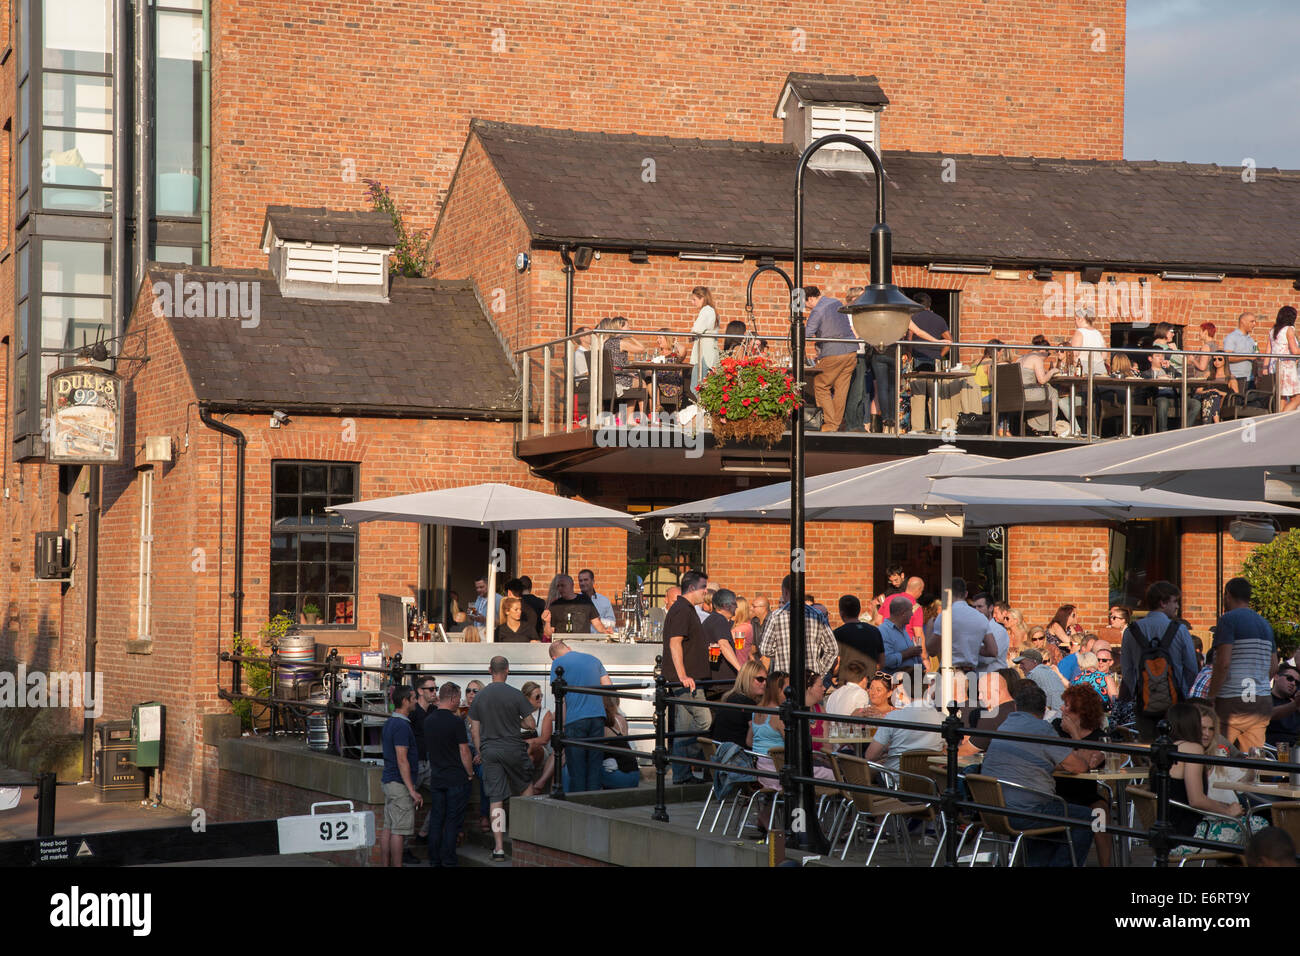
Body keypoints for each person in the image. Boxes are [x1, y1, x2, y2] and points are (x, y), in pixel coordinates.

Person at [979, 681, 1102, 866]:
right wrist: (1076, 736)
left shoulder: (1004, 726)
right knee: (1089, 816)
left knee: (1051, 813)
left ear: (1015, 706)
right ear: (1044, 710)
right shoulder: (1043, 729)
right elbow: (1079, 767)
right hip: (1025, 812)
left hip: (992, 810)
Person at [468, 656, 535, 862]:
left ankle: (498, 847)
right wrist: (517, 722)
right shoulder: (515, 695)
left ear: (490, 670)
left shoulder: (479, 697)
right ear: (507, 670)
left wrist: (481, 751)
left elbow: (475, 730)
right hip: (513, 747)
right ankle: (525, 838)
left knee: (495, 798)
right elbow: (531, 724)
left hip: (489, 751)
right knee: (525, 787)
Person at [1119, 581, 1198, 740]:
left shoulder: (1131, 631)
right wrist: (1184, 693)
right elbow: (1191, 668)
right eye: (1174, 601)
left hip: (1144, 701)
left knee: (1149, 750)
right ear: (1162, 602)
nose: (1177, 606)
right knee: (1176, 750)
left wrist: (1139, 690)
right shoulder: (1180, 630)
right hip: (1175, 704)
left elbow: (1127, 670)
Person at [1207, 577, 1277, 753]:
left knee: (1218, 756)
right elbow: (1274, 666)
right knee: (1253, 761)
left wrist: (1211, 696)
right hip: (1260, 701)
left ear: (1228, 595)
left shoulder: (1228, 620)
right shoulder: (1265, 624)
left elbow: (1223, 662)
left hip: (1231, 701)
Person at [1051, 683, 1113, 866]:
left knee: (1100, 810)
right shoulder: (1056, 728)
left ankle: (1105, 864)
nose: (1062, 708)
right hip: (1056, 792)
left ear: (1082, 711)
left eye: (1068, 706)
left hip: (1086, 794)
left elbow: (1088, 764)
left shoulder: (1098, 736)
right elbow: (1054, 762)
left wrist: (1075, 734)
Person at [663, 569, 713, 784]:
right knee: (705, 721)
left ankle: (682, 775)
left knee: (684, 727)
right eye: (704, 587)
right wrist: (683, 675)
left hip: (687, 679)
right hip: (686, 681)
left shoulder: (685, 608)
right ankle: (681, 762)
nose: (706, 591)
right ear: (692, 588)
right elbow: (675, 642)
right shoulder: (683, 609)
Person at [548, 640, 613, 793]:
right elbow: (609, 686)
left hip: (575, 719)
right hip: (597, 717)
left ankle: (579, 805)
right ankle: (593, 803)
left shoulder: (558, 664)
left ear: (553, 658)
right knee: (594, 765)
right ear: (569, 648)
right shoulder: (593, 659)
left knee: (577, 768)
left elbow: (559, 697)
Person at [423, 681, 474, 867]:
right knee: (452, 821)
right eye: (459, 697)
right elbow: (464, 751)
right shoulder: (456, 722)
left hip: (437, 777)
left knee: (437, 820)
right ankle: (449, 859)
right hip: (456, 778)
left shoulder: (428, 722)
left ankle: (434, 859)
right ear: (452, 698)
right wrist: (469, 773)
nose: (460, 700)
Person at [758, 573, 839, 677]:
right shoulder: (817, 615)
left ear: (785, 592)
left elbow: (765, 649)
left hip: (785, 678)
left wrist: (781, 651)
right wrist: (819, 671)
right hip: (811, 678)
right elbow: (832, 649)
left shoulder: (776, 616)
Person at [802, 285, 856, 432]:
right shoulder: (836, 302)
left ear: (811, 298)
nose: (806, 307)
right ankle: (836, 424)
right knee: (841, 389)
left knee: (820, 385)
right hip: (851, 351)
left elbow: (805, 335)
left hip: (833, 352)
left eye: (806, 303)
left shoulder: (818, 310)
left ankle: (831, 424)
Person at [379, 686, 423, 867]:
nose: (416, 701)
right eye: (413, 698)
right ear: (405, 700)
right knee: (399, 830)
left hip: (389, 780)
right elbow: (402, 759)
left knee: (388, 827)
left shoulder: (390, 723)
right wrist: (412, 790)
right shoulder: (402, 726)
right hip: (399, 783)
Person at [924, 577, 997, 685]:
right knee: (969, 701)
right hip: (971, 674)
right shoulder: (980, 617)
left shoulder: (944, 616)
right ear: (966, 594)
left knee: (944, 702)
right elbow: (992, 651)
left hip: (949, 673)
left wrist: (929, 627)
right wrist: (971, 646)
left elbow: (932, 651)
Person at [863, 676, 945, 772]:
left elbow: (870, 756)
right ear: (927, 689)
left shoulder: (893, 717)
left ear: (904, 690)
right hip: (928, 781)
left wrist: (888, 752)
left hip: (894, 779)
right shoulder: (942, 719)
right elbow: (947, 752)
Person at [905, 291, 952, 433]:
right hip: (935, 361)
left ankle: (917, 429)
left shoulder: (913, 318)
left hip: (918, 358)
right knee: (934, 394)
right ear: (929, 304)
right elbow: (949, 341)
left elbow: (909, 339)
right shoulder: (939, 319)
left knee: (918, 396)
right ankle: (936, 427)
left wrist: (909, 355)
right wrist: (939, 354)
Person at [711, 659, 768, 748]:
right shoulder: (746, 702)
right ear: (747, 679)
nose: (764, 683)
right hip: (737, 756)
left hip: (722, 753)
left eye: (766, 680)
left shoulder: (730, 697)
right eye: (760, 679)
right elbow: (757, 736)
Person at [832, 595, 885, 680]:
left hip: (846, 683)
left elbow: (836, 666)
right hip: (869, 682)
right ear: (859, 610)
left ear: (841, 613)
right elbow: (881, 662)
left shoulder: (838, 633)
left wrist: (834, 675)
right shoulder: (875, 631)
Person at [702, 588, 743, 697]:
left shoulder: (714, 619)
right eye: (734, 604)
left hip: (716, 683)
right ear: (726, 606)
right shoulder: (719, 620)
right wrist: (741, 670)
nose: (736, 607)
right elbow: (724, 645)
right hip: (721, 685)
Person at [519, 681, 555, 796]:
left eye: (541, 696)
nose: (540, 699)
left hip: (541, 751)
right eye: (537, 697)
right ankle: (528, 791)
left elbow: (544, 739)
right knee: (529, 757)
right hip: (524, 753)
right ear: (526, 698)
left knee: (531, 747)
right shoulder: (518, 713)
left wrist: (528, 742)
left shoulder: (545, 713)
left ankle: (524, 789)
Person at [462, 680, 489, 832]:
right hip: (463, 751)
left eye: (475, 691)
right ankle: (460, 820)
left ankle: (484, 814)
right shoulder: (461, 713)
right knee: (462, 775)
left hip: (481, 751)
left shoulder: (486, 714)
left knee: (486, 773)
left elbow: (491, 737)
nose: (471, 694)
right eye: (468, 690)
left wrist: (481, 752)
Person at [600, 694, 641, 790]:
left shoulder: (602, 729)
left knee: (588, 765)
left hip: (622, 777)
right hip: (634, 776)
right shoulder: (620, 720)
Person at [688, 286, 720, 396]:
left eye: (694, 300)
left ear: (702, 298)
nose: (693, 303)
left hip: (704, 355)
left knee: (696, 387)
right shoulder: (711, 311)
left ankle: (704, 411)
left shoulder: (706, 311)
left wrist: (691, 335)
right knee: (703, 388)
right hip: (708, 354)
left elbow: (696, 329)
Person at [1191, 352, 1240, 424]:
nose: (1216, 361)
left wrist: (1219, 392)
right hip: (1206, 398)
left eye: (1220, 359)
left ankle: (1207, 422)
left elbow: (1236, 395)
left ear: (1225, 361)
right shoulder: (1208, 375)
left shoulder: (1230, 377)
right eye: (1214, 359)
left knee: (1215, 395)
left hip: (1223, 401)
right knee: (1213, 395)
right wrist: (1209, 391)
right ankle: (1216, 421)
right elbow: (1198, 391)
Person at [880, 594, 924, 672]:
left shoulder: (903, 629)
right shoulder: (883, 631)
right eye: (910, 610)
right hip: (896, 682)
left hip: (912, 680)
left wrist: (920, 676)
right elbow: (886, 661)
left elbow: (914, 657)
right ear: (903, 613)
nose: (912, 614)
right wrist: (907, 653)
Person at [1269, 305, 1300, 412]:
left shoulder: (1273, 330)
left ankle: (1278, 420)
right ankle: (1281, 419)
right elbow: (1295, 350)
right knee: (1297, 398)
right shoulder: (1289, 329)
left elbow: (1270, 349)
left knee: (1281, 398)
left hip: (1275, 366)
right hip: (1287, 367)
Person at [1141, 348, 1179, 432]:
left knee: (1195, 404)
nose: (1161, 358)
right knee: (1163, 402)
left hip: (1174, 397)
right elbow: (1145, 387)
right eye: (1158, 356)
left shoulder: (1168, 370)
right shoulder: (1146, 373)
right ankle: (1163, 432)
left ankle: (1184, 431)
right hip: (1159, 397)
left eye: (1162, 355)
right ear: (1150, 359)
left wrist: (1170, 368)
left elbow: (1180, 377)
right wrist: (1157, 379)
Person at [1016, 647, 1065, 712]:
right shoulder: (1051, 672)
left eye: (1022, 663)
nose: (1020, 667)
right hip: (1059, 713)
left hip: (1051, 716)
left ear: (1034, 662)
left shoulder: (1034, 673)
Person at [971, 591, 1010, 670]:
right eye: (974, 607)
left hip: (994, 678)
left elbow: (988, 659)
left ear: (991, 608)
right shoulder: (972, 629)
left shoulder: (999, 631)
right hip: (976, 678)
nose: (976, 610)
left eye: (980, 606)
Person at [1223, 311, 1261, 392]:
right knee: (1238, 403)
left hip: (1250, 379)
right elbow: (1227, 357)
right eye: (1252, 321)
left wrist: (1256, 376)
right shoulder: (1231, 337)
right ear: (1243, 322)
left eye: (1255, 322)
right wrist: (1247, 356)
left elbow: (1255, 359)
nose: (1254, 324)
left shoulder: (1251, 340)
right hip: (1237, 379)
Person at [1266, 662, 1300, 749]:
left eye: (1297, 682)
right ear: (1276, 676)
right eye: (1289, 678)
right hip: (1270, 751)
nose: (1293, 683)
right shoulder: (1263, 699)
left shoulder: (1296, 703)